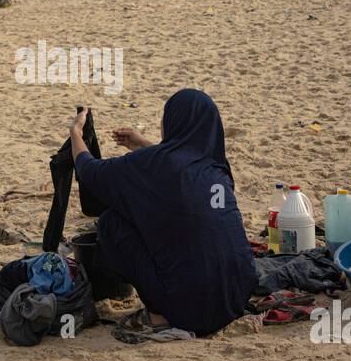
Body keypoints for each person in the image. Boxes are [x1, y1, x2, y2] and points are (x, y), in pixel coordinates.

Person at [71, 90, 256, 335]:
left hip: (188, 310)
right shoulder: (216, 168)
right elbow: (179, 167)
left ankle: (159, 314)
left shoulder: (151, 165)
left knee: (111, 222)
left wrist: (75, 134)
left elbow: (90, 171)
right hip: (236, 297)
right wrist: (142, 145)